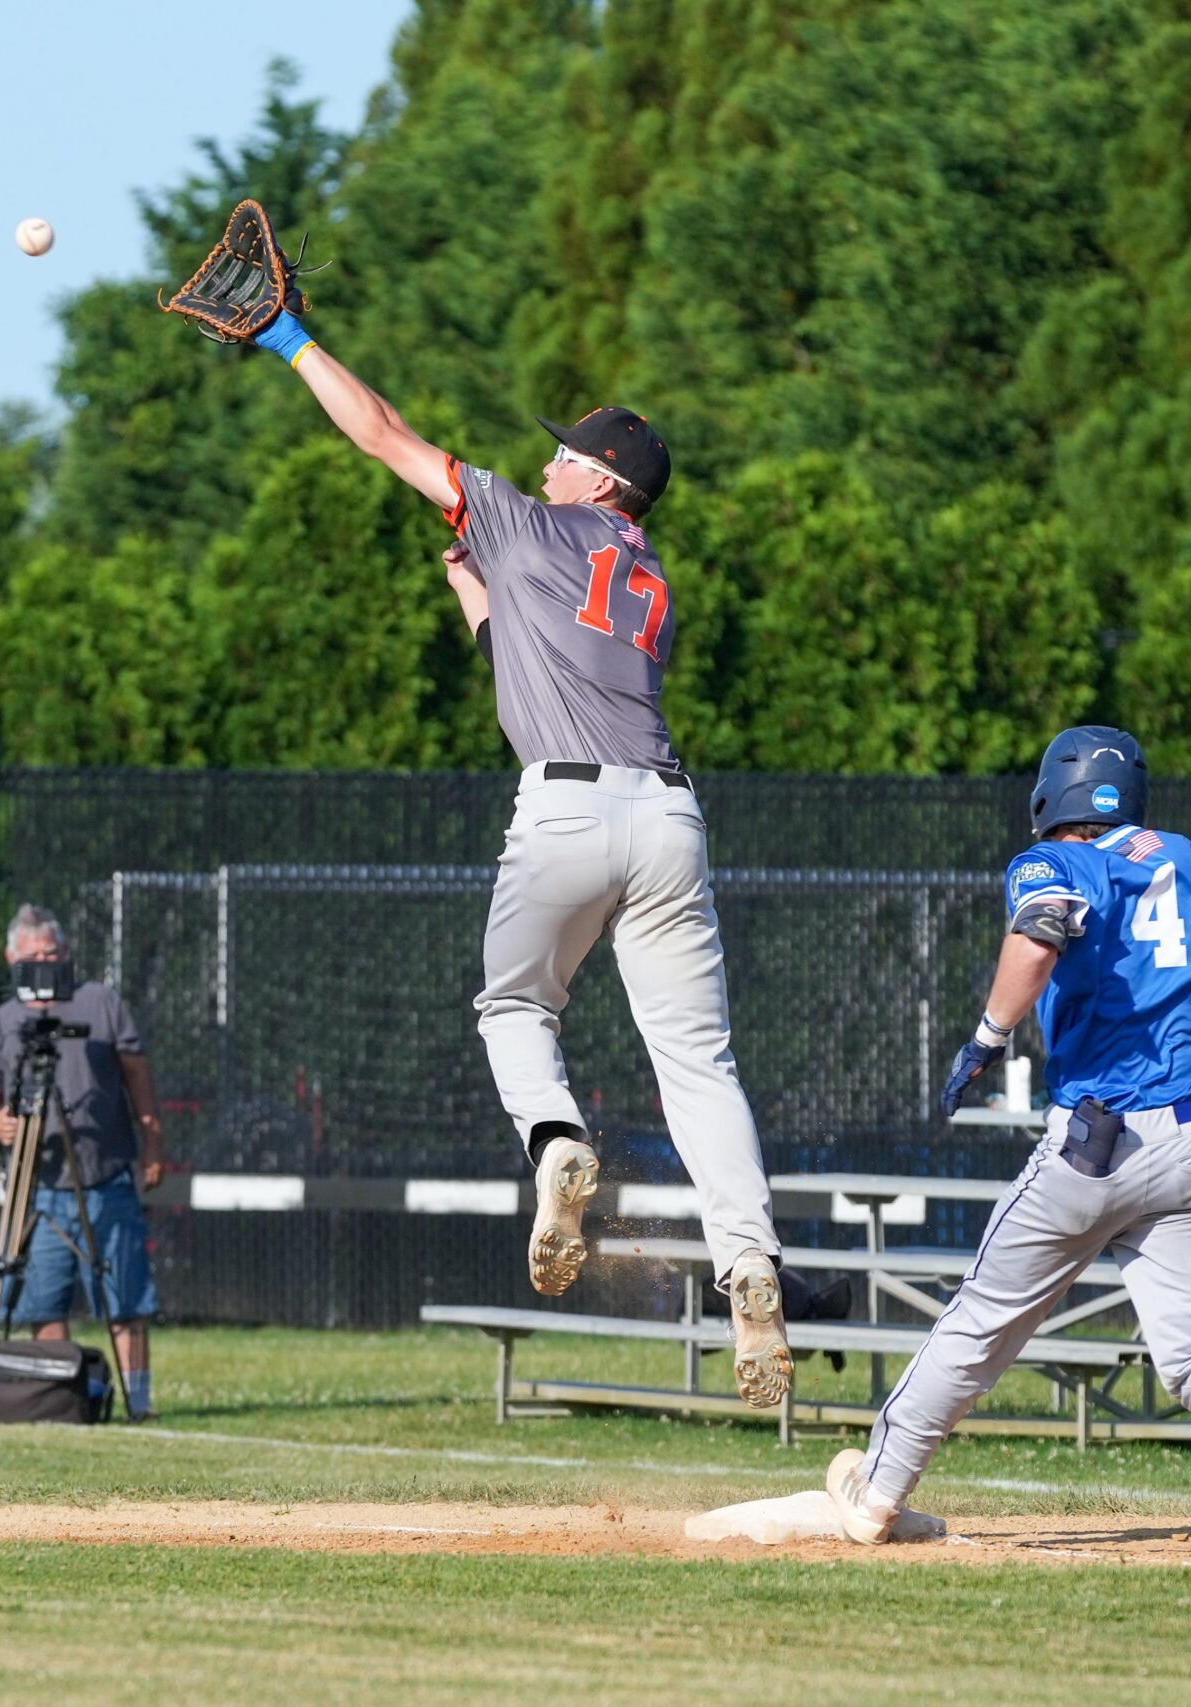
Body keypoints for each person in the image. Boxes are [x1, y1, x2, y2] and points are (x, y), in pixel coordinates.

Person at [239, 295, 791, 1406]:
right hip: (669, 817)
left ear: (600, 480)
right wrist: (471, 592)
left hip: (567, 814)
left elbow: (384, 432)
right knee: (698, 1064)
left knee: (514, 1011)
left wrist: (285, 337)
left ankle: (554, 1144)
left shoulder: (527, 523)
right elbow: (534, 667)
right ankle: (752, 1269)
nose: (544, 463)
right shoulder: (652, 585)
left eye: (563, 453)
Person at [825, 727, 1191, 1541]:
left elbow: (1038, 937)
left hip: (1098, 1141)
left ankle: (876, 1490)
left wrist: (986, 1038)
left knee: (981, 1318)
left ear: (1052, 797)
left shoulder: (1059, 862)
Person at [0, 905, 167, 1420]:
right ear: (11, 959)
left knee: (126, 1298)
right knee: (42, 1301)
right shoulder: (1, 1021)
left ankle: (137, 1404)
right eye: (32, 957)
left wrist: (153, 1142)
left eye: (51, 954)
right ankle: (62, 1401)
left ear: (66, 953)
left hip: (104, 1176)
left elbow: (137, 1072)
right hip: (40, 1184)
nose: (43, 964)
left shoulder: (98, 1003)